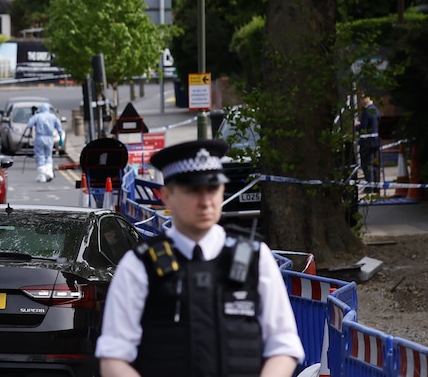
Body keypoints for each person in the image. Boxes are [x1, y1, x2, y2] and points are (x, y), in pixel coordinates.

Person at [96, 139, 303, 377]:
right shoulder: (138, 266)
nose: (205, 201)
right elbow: (114, 358)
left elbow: (284, 344)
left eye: (212, 189)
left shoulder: (255, 257)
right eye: (193, 190)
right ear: (167, 196)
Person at [25, 103, 63, 183]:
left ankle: (42, 174)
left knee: (40, 155)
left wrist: (34, 117)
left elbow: (29, 124)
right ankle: (49, 172)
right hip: (50, 138)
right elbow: (59, 128)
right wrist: (60, 139)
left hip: (40, 137)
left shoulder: (38, 116)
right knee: (48, 155)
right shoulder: (53, 117)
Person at [356, 94, 382, 185]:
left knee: (367, 164)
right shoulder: (376, 110)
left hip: (366, 142)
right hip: (376, 141)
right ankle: (376, 186)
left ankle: (369, 185)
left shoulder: (366, 112)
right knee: (375, 164)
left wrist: (356, 126)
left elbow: (364, 128)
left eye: (361, 99)